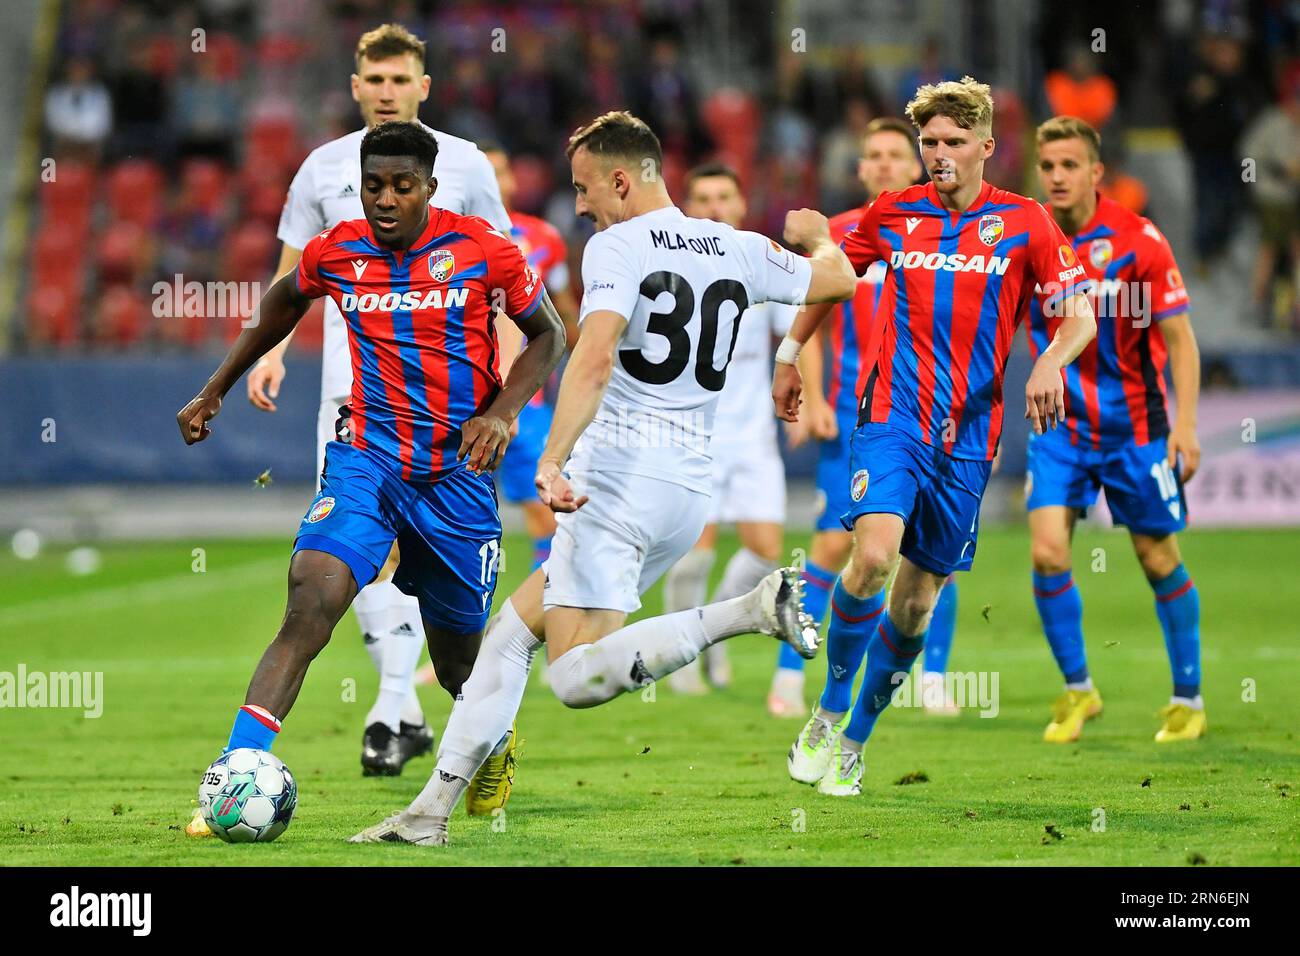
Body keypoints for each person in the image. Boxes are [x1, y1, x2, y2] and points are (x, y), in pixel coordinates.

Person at [349, 111, 856, 847]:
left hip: (616, 478)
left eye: (586, 188)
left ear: (623, 179)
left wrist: (551, 459)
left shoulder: (617, 246)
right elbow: (836, 278)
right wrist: (818, 236)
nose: (580, 205)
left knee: (575, 679)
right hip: (686, 487)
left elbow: (590, 357)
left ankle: (747, 610)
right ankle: (429, 815)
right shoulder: (739, 246)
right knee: (508, 640)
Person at [176, 121, 565, 825]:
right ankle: (233, 777)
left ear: (430, 189)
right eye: (373, 185)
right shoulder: (338, 251)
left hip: (456, 476)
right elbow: (280, 305)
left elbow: (550, 334)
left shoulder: (482, 249)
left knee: (456, 667)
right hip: (369, 460)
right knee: (311, 600)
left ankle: (494, 742)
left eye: (402, 185)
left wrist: (504, 413)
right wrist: (215, 387)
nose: (385, 199)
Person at [775, 77, 1098, 797]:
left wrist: (1048, 360)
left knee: (918, 601)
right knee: (874, 554)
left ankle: (856, 739)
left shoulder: (1027, 224)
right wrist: (788, 354)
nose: (940, 153)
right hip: (892, 419)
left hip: (969, 442)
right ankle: (826, 711)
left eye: (954, 142)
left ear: (987, 147)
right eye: (931, 142)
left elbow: (1078, 316)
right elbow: (832, 281)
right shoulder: (894, 213)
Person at [240, 24, 515, 786]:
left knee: (434, 588)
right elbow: (293, 269)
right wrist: (267, 354)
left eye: (401, 79)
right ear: (356, 87)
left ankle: (409, 708)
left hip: (450, 405)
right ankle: (394, 707)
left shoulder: (465, 165)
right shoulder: (323, 168)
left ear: (423, 86)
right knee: (353, 560)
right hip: (350, 389)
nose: (388, 90)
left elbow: (496, 273)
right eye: (375, 79)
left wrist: (505, 393)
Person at [776, 117, 964, 719]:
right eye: (872, 155)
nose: (884, 164)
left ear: (914, 167)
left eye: (893, 154)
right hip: (860, 416)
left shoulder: (944, 234)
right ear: (858, 169)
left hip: (933, 415)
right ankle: (788, 675)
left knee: (933, 556)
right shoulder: (842, 235)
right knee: (836, 544)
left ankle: (933, 678)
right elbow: (814, 311)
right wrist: (817, 393)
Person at [1027, 116, 1204, 744]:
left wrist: (1184, 425)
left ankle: (1189, 698)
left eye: (1069, 165)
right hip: (1059, 429)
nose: (1056, 177)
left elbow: (1180, 340)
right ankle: (1079, 692)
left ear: (1097, 172)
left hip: (1136, 429)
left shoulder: (1140, 241)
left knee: (1157, 557)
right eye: (1047, 166)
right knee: (1048, 551)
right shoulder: (1025, 238)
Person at [659, 162, 798, 697]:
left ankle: (706, 637)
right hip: (694, 432)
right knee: (697, 551)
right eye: (703, 198)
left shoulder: (762, 263)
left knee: (765, 552)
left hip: (753, 435)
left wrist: (807, 399)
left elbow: (794, 337)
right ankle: (681, 658)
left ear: (741, 206)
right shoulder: (669, 269)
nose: (715, 207)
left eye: (724, 197)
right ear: (686, 209)